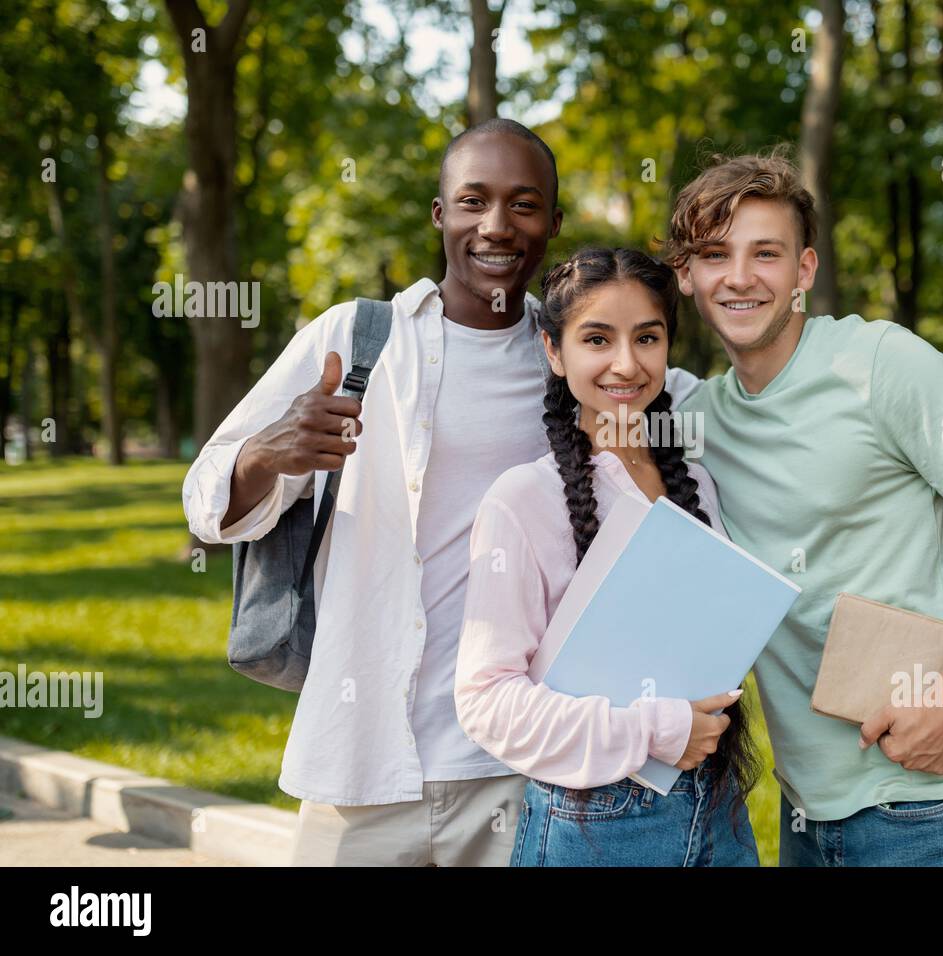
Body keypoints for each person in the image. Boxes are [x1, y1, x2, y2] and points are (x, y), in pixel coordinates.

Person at [181, 120, 700, 866]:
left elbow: (720, 417)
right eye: (472, 201)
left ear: (553, 222)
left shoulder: (581, 357)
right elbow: (205, 498)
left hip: (517, 772)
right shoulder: (358, 339)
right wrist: (270, 452)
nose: (497, 226)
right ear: (440, 215)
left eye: (524, 205)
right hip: (362, 764)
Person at [664, 149, 943, 867]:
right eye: (716, 254)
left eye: (767, 253)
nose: (742, 277)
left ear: (805, 271)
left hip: (933, 800)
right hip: (806, 810)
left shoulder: (881, 363)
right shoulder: (703, 422)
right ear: (686, 274)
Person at [454, 247, 761, 867]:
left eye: (647, 337)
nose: (627, 363)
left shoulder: (696, 483)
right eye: (598, 339)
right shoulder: (522, 500)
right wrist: (654, 731)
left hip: (716, 806)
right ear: (554, 351)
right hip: (594, 823)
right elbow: (486, 702)